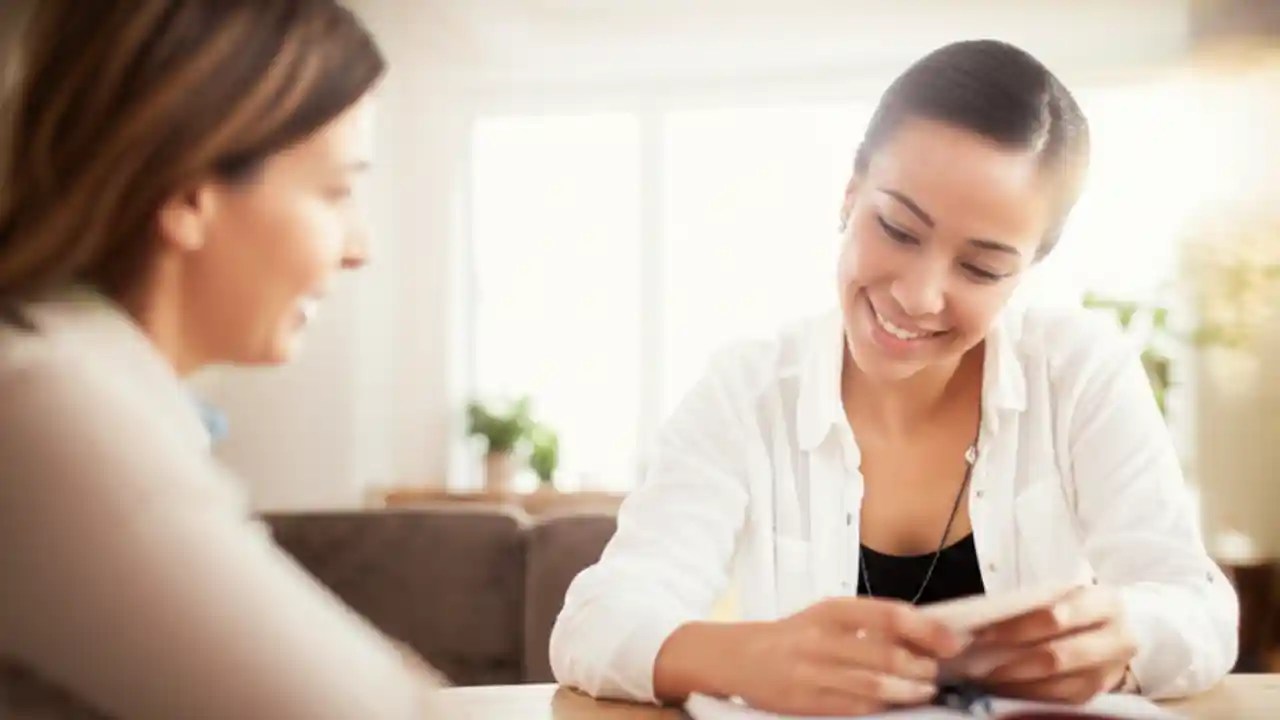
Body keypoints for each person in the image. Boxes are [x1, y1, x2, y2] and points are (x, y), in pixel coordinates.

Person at [550, 39, 1238, 717]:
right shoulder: (747, 391)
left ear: (1028, 271)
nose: (919, 295)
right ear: (850, 195)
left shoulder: (1079, 372)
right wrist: (746, 658)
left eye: (982, 269)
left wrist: (1124, 638)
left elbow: (1196, 605)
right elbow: (596, 624)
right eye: (898, 229)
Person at [0, 1, 441, 718]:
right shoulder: (41, 406)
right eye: (335, 191)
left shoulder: (92, 389)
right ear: (189, 192)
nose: (360, 247)